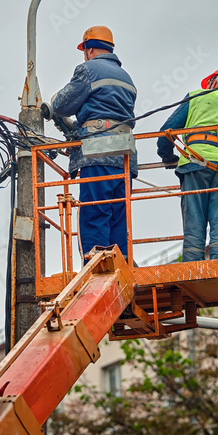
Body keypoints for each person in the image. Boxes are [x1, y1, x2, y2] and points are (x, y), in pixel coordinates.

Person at [47, 25, 138, 260]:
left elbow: (61, 105)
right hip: (125, 156)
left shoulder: (88, 70)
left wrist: (54, 101)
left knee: (95, 211)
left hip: (99, 152)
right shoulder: (126, 77)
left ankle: (96, 265)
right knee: (119, 216)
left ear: (88, 49)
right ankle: (121, 266)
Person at [157, 68, 218, 262]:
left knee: (194, 221)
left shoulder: (196, 97)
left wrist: (167, 157)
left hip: (195, 166)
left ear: (214, 82)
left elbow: (166, 131)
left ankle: (192, 265)